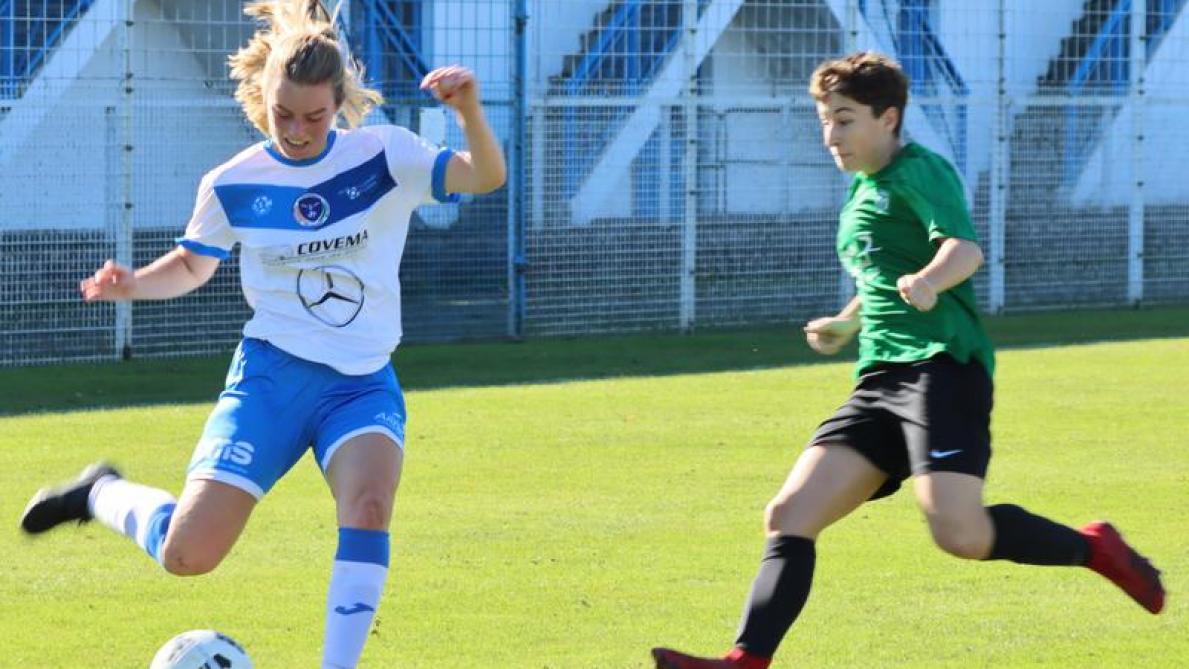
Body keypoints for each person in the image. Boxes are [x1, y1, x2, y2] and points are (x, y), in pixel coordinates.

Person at [18, 2, 505, 668]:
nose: (298, 130)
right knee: (187, 554)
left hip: (360, 383)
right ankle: (100, 490)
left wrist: (468, 110)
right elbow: (192, 265)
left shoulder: (385, 155)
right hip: (271, 378)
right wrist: (133, 282)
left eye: (314, 116)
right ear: (262, 96)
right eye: (283, 113)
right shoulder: (233, 181)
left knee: (367, 505)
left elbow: (485, 177)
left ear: (339, 103)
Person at [650, 51, 1164, 669]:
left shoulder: (920, 172)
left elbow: (964, 250)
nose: (830, 134)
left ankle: (1094, 549)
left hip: (941, 369)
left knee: (961, 535)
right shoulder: (860, 195)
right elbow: (877, 280)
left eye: (844, 119)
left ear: (887, 118)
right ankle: (745, 661)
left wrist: (929, 279)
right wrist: (847, 322)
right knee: (789, 514)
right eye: (824, 120)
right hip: (879, 380)